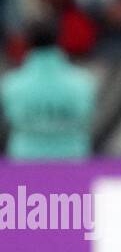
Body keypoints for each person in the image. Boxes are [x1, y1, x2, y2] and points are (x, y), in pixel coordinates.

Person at [1, 19, 97, 160]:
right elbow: (88, 117)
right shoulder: (83, 82)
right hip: (73, 162)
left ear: (27, 41)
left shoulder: (11, 84)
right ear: (60, 39)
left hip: (24, 164)